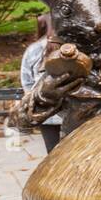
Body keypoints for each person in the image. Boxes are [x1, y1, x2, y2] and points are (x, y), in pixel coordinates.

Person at [20, 14, 64, 154]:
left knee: (52, 153)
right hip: (70, 111)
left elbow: (26, 81)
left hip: (45, 110)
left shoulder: (33, 49)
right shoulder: (72, 47)